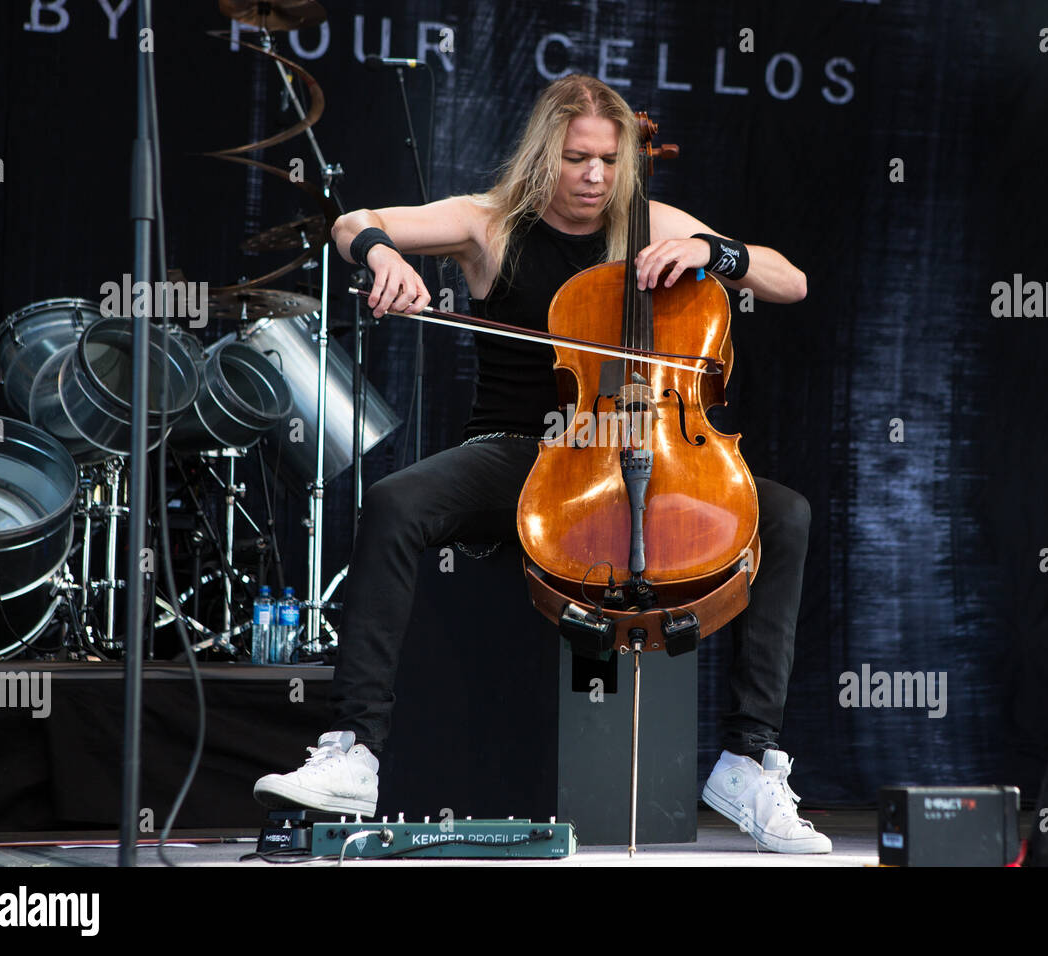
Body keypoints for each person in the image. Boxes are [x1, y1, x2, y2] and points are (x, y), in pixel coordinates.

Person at [253, 74, 828, 854]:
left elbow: (789, 280)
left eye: (608, 160)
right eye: (576, 158)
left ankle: (748, 759)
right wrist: (384, 255)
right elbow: (355, 220)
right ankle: (355, 753)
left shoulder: (651, 221)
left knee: (785, 513)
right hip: (518, 451)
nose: (594, 177)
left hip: (654, 444)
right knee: (395, 501)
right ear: (544, 155)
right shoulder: (488, 224)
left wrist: (713, 251)